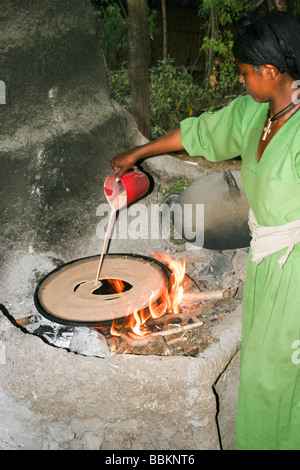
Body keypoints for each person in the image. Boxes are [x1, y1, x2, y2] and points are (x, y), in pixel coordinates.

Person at [111, 10, 300, 450]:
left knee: (279, 375)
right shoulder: (259, 114)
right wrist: (138, 152)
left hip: (295, 272)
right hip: (269, 264)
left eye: (244, 73)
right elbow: (201, 132)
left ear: (270, 72)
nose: (241, 81)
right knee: (262, 370)